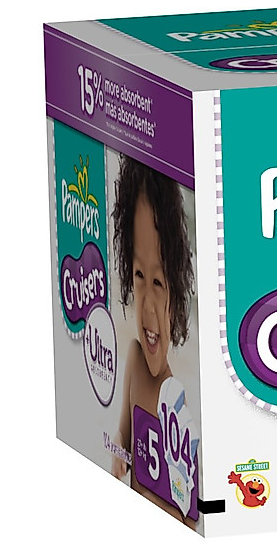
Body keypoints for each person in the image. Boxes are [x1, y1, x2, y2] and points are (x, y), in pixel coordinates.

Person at [110, 155, 197, 522]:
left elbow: (190, 511)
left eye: (159, 282)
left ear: (176, 290)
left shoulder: (178, 401)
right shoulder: (132, 359)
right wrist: (118, 455)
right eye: (139, 275)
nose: (146, 304)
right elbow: (120, 441)